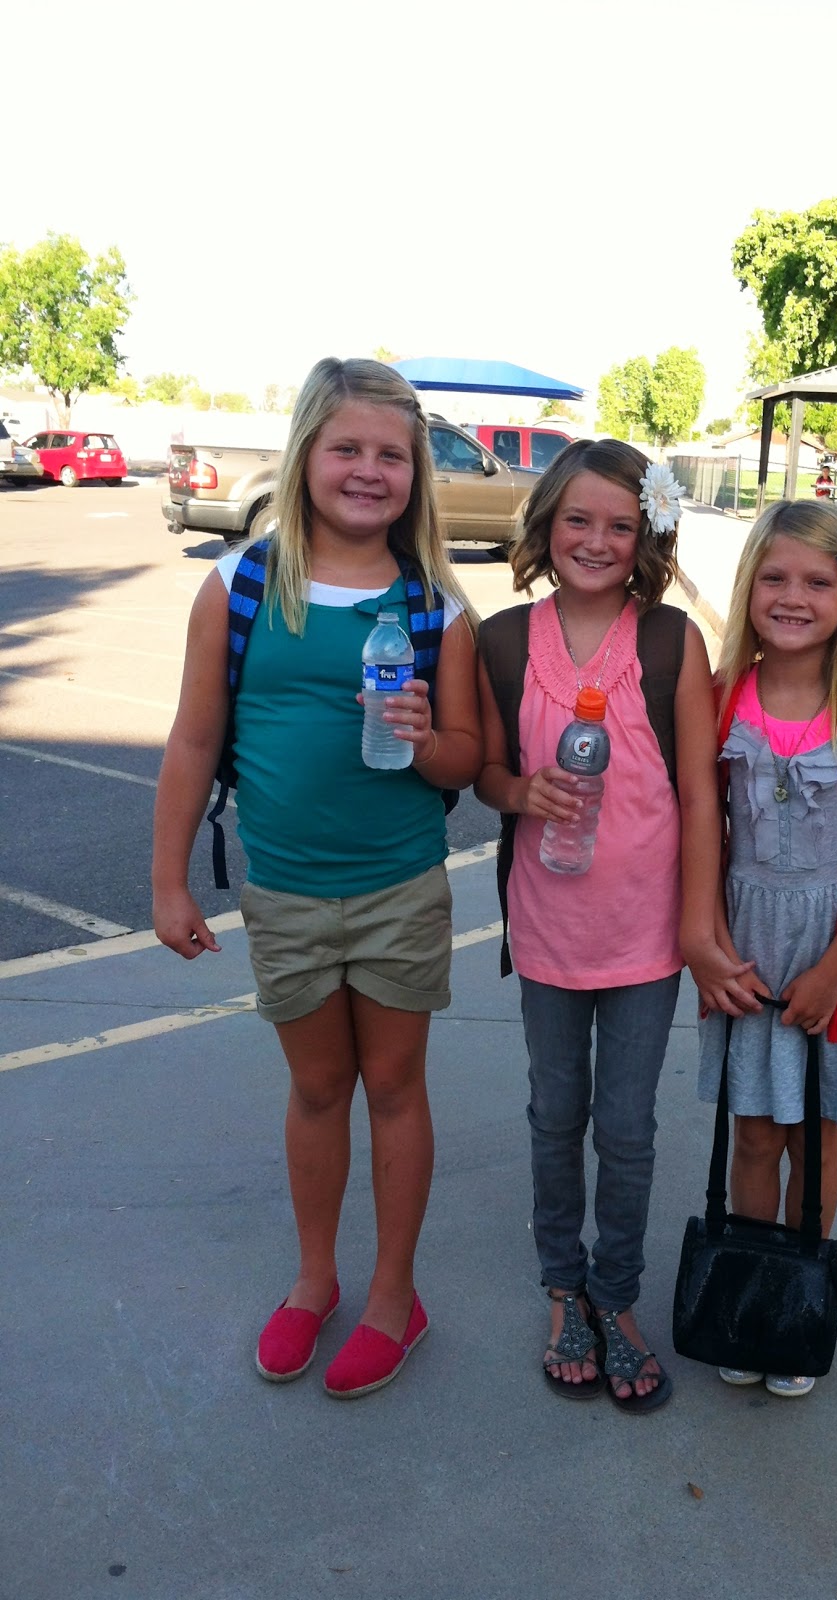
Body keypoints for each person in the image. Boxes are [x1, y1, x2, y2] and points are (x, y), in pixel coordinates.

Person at [152, 357, 481, 1400]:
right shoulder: (241, 585)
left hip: (399, 888)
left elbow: (464, 762)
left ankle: (393, 1294)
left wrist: (426, 737)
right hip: (285, 892)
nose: (368, 470)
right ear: (305, 455)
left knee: (393, 1086)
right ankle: (313, 1279)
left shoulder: (435, 605)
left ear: (416, 474)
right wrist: (168, 882)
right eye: (347, 448)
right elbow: (193, 739)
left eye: (392, 454)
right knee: (316, 1086)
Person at [474, 441, 718, 1413]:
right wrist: (519, 791)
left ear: (646, 534)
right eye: (577, 519)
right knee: (553, 1116)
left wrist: (698, 926)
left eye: (620, 524)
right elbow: (485, 772)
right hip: (547, 928)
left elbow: (698, 795)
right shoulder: (503, 641)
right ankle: (560, 1288)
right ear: (544, 525)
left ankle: (615, 1297)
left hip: (645, 937)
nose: (596, 540)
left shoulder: (670, 642)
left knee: (625, 1128)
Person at [681, 500, 837, 1399]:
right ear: (749, 587)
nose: (793, 597)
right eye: (775, 578)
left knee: (813, 1137)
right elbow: (700, 829)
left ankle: (796, 1308)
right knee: (751, 1129)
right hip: (745, 939)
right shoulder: (718, 699)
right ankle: (749, 1297)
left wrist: (829, 972)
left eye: (817, 581)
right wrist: (708, 946)